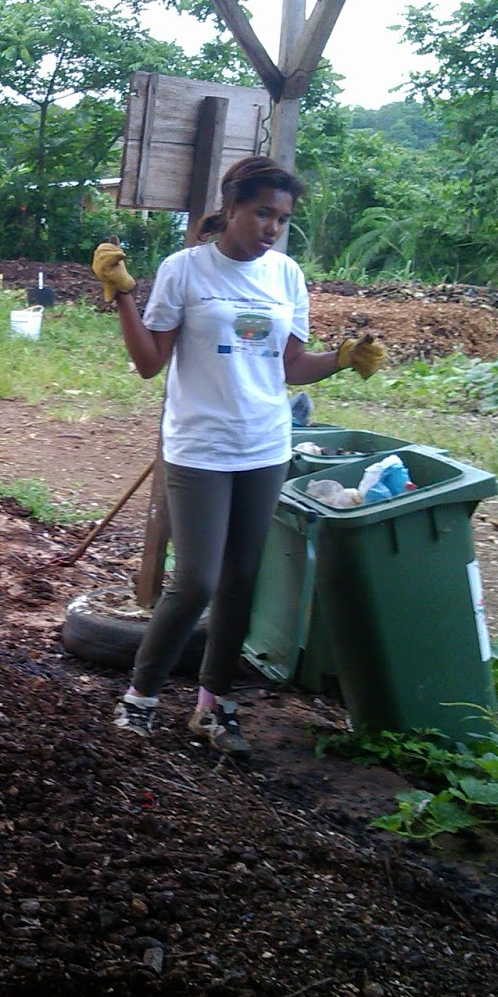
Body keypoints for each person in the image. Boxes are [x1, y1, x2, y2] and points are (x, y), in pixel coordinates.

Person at [92, 155, 386, 754]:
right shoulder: (185, 270)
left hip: (265, 444)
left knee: (241, 580)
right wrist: (122, 295)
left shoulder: (287, 277)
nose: (272, 228)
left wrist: (344, 359)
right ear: (231, 209)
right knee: (195, 581)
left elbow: (290, 367)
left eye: (281, 218)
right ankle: (141, 696)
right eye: (261, 214)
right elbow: (150, 364)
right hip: (200, 445)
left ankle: (213, 705)